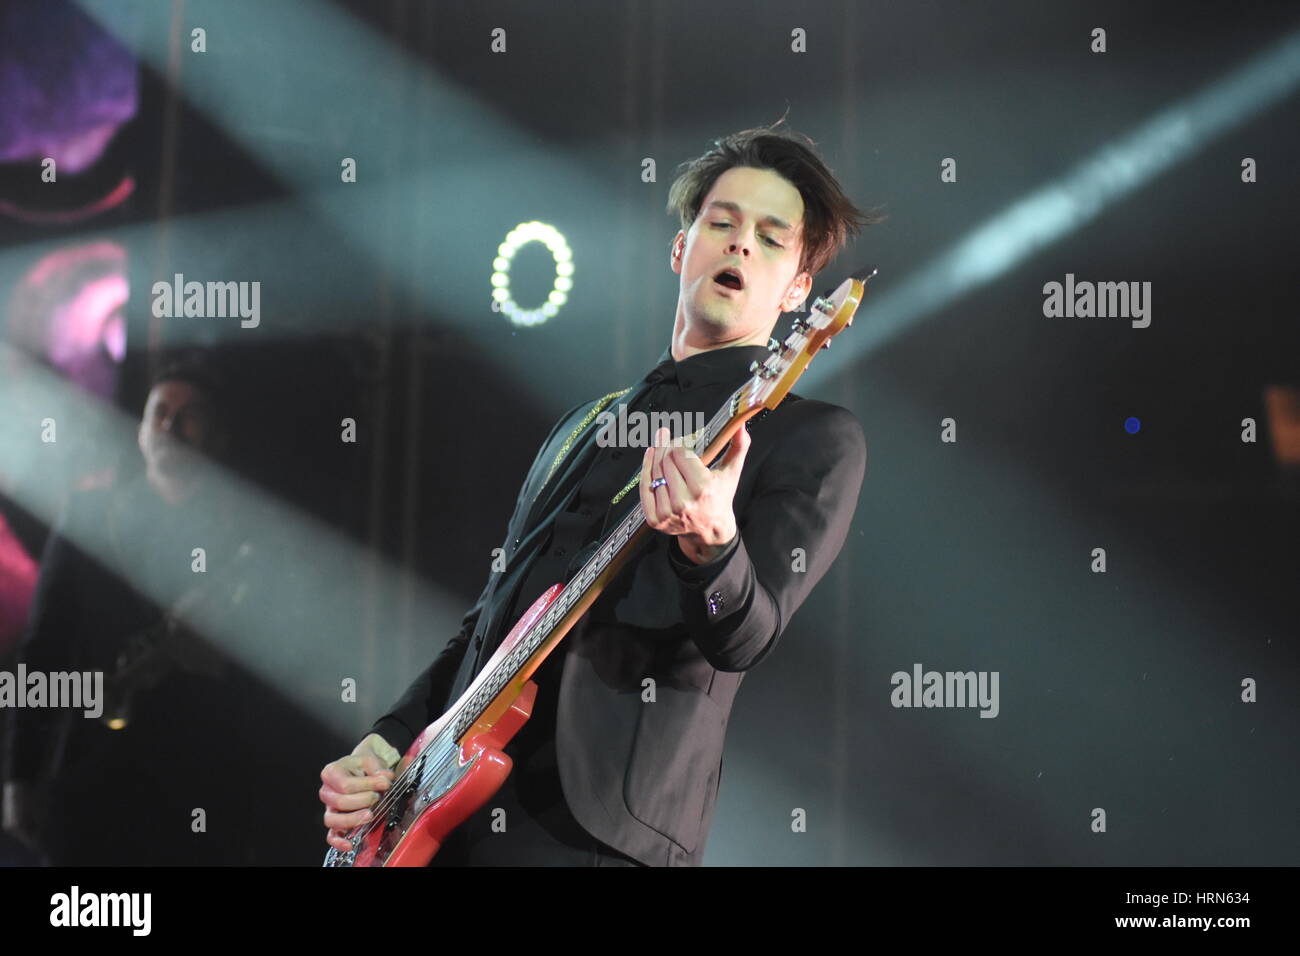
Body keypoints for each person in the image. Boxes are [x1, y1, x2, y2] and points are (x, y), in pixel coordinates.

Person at [319, 121, 880, 866]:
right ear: (682, 249)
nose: (742, 244)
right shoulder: (580, 426)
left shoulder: (807, 436)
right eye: (723, 223)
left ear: (799, 293)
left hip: (593, 830)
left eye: (772, 239)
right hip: (449, 805)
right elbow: (490, 618)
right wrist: (388, 742)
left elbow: (745, 635)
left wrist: (711, 545)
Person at [1, 354, 285, 864]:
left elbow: (284, 674)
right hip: (88, 774)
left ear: (217, 437)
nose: (171, 426)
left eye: (190, 415)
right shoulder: (88, 517)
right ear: (141, 428)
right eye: (160, 412)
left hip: (202, 777)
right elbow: (42, 649)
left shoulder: (251, 539)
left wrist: (221, 664)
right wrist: (20, 776)